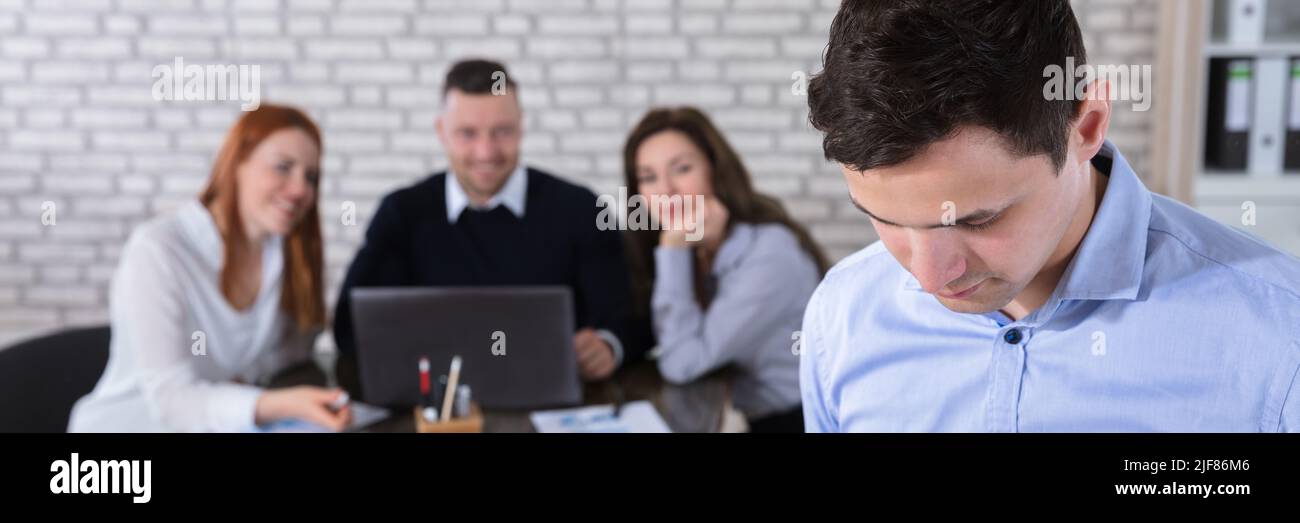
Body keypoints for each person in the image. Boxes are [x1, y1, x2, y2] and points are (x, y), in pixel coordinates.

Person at [800, 0, 1300, 432]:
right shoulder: (842, 315)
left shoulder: (1278, 338)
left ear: (1087, 127)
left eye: (977, 220)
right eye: (885, 219)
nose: (930, 278)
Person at [333, 59, 634, 387]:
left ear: (521, 127)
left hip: (552, 402)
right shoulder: (402, 213)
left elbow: (629, 316)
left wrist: (608, 344)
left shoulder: (579, 208)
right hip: (436, 405)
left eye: (502, 131)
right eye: (467, 133)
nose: (486, 151)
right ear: (441, 132)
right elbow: (351, 326)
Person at [70, 105, 351, 432]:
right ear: (236, 165)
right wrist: (275, 403)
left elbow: (284, 353)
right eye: (283, 167)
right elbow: (171, 402)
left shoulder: (284, 253)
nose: (301, 189)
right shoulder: (158, 249)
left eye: (311, 176)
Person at [622, 107, 828, 432]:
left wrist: (674, 246)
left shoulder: (769, 252)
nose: (665, 191)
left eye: (682, 168)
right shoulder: (699, 248)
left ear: (714, 170)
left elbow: (682, 362)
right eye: (648, 177)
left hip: (804, 420)